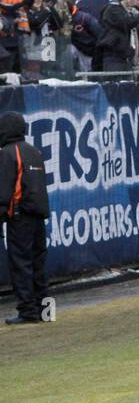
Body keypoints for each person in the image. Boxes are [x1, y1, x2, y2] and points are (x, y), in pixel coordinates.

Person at [0, 112, 51, 325]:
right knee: (39, 263)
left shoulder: (8, 154)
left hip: (19, 217)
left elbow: (4, 191)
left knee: (21, 264)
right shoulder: (34, 152)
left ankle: (27, 312)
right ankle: (46, 311)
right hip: (38, 215)